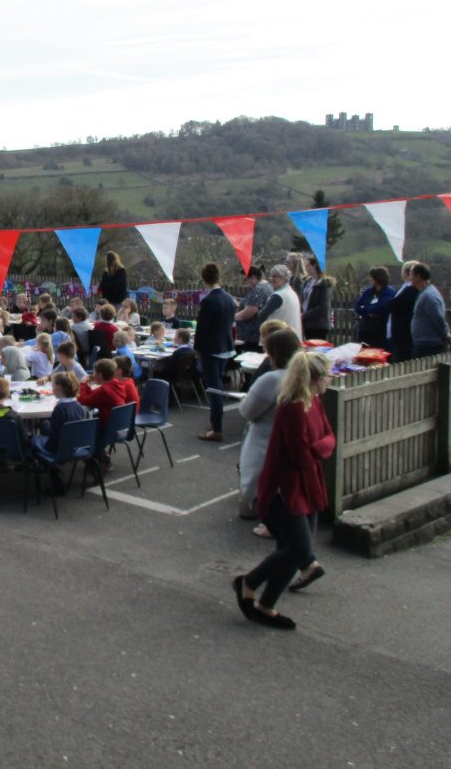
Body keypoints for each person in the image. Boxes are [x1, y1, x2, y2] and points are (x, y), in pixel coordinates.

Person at [234, 351, 334, 630]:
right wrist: (320, 448)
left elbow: (329, 437)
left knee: (292, 548)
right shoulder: (292, 408)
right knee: (299, 550)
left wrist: (318, 448)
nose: (329, 380)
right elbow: (302, 455)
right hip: (284, 489)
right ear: (314, 379)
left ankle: (267, 605)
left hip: (306, 483)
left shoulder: (314, 402)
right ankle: (248, 583)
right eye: (327, 376)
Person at [237, 328, 302, 523]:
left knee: (263, 487)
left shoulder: (272, 379)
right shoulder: (303, 375)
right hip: (292, 443)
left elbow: (247, 411)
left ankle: (271, 522)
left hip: (266, 442)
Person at [193, 262, 236, 442]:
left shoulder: (209, 301)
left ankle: (216, 428)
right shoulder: (229, 298)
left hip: (212, 348)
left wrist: (197, 348)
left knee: (214, 388)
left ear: (204, 280)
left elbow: (201, 329)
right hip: (226, 346)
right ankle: (214, 420)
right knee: (217, 385)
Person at [76, 359, 129, 467]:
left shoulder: (105, 390)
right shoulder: (116, 384)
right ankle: (100, 454)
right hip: (120, 426)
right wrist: (88, 387)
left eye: (94, 372)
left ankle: (97, 456)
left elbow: (82, 400)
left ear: (100, 375)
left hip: (108, 429)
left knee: (81, 427)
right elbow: (94, 396)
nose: (92, 375)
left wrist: (83, 384)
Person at [409, 262, 451, 358]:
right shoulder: (424, 293)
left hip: (429, 346)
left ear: (418, 276)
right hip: (424, 343)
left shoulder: (429, 296)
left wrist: (445, 334)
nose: (410, 278)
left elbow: (438, 317)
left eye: (411, 275)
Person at [254, 264, 302, 340]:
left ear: (284, 278)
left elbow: (262, 315)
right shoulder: (292, 293)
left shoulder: (278, 295)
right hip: (292, 338)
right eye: (272, 276)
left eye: (276, 276)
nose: (272, 279)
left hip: (279, 339)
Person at [353, 266, 395, 348]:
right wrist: (370, 312)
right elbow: (358, 307)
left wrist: (366, 309)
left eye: (371, 277)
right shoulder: (368, 292)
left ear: (377, 279)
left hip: (380, 331)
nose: (370, 279)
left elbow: (382, 307)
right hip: (365, 330)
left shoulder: (388, 292)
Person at [388, 260, 421, 362]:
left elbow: (393, 304)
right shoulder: (406, 287)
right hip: (399, 331)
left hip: (403, 332)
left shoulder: (410, 289)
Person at [300, 256, 335, 342]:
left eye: (307, 266)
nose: (305, 268)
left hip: (319, 324)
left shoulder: (324, 283)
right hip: (307, 323)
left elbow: (323, 306)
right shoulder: (307, 282)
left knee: (317, 346)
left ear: (315, 265)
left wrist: (305, 314)